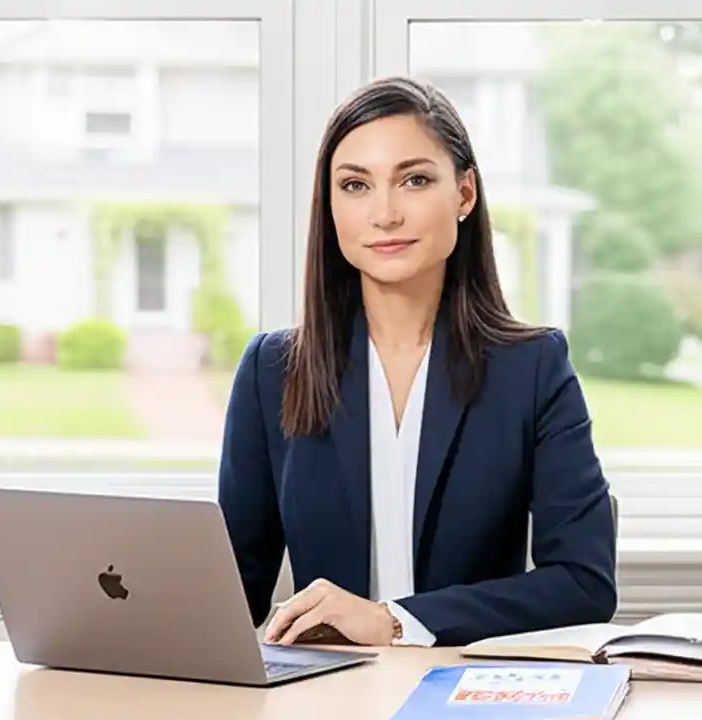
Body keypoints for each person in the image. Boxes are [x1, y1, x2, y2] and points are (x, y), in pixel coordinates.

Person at [216, 76, 617, 649]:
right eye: (355, 185)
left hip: (469, 693)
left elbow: (583, 583)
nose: (384, 214)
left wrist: (396, 621)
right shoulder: (271, 370)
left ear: (464, 194)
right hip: (327, 699)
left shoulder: (532, 368)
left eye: (415, 180)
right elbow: (236, 588)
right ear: (329, 208)